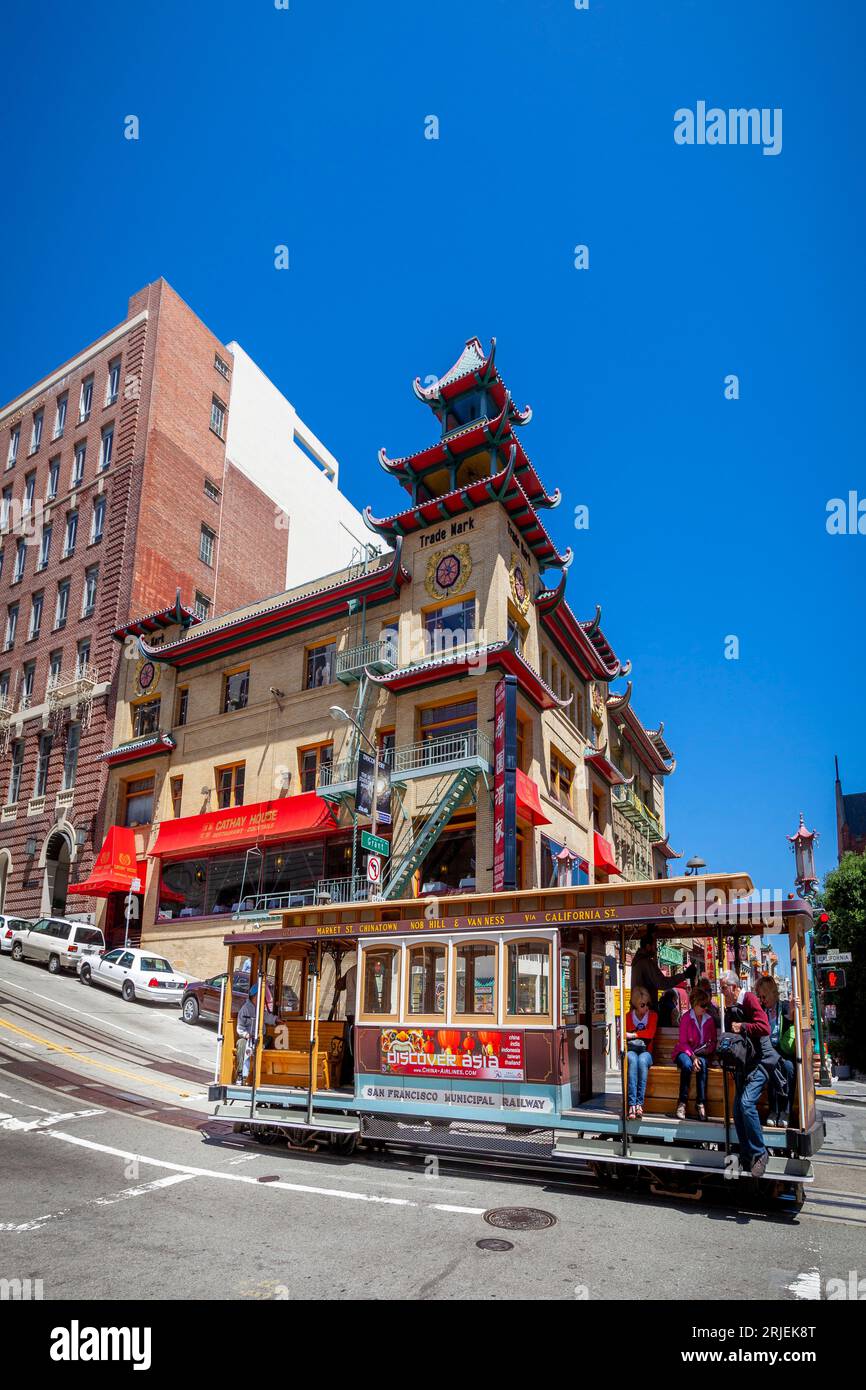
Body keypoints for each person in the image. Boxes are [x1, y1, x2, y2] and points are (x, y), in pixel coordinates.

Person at [719, 969, 774, 1178]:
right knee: (737, 1110)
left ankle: (760, 1153)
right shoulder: (731, 1005)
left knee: (746, 1104)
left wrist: (742, 1026)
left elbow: (764, 1027)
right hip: (745, 1064)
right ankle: (745, 1153)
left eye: (724, 988)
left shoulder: (749, 999)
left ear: (733, 987)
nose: (722, 992)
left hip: (761, 1062)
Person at [673, 986, 718, 1120]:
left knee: (703, 1065)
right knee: (686, 1065)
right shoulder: (686, 1018)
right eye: (703, 1005)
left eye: (707, 1005)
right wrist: (693, 1057)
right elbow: (682, 1042)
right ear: (695, 1004)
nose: (705, 1008)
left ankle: (701, 1103)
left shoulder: (709, 1020)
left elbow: (713, 1041)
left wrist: (708, 1049)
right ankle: (682, 1102)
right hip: (684, 1052)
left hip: (700, 1053)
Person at [756, 975, 794, 1128]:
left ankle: (786, 1109)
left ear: (772, 992)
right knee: (770, 1067)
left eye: (763, 996)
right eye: (760, 996)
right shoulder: (762, 1010)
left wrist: (793, 1010)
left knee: (789, 1068)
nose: (762, 999)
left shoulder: (783, 1006)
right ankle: (774, 1110)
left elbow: (792, 1019)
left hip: (783, 1050)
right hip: (768, 1050)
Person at [630, 930, 696, 1008]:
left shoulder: (637, 961)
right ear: (648, 947)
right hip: (645, 1011)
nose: (656, 949)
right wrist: (684, 975)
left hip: (638, 1009)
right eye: (655, 947)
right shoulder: (646, 962)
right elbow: (662, 983)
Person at [625, 986, 657, 1119]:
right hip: (632, 1050)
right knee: (632, 1061)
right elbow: (622, 1036)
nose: (646, 1008)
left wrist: (633, 1035)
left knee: (642, 1061)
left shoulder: (653, 1016)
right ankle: (632, 1105)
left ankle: (639, 1103)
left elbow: (650, 1033)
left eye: (648, 1004)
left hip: (646, 1052)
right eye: (643, 1005)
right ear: (636, 1004)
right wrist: (637, 1035)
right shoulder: (627, 1016)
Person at [235, 982, 276, 1083]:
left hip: (260, 1037)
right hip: (248, 1038)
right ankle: (240, 1074)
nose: (262, 997)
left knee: (269, 1039)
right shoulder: (244, 1009)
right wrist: (246, 1035)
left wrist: (276, 1020)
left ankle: (263, 1073)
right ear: (255, 996)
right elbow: (240, 1027)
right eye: (260, 995)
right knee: (241, 1044)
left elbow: (267, 1017)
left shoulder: (260, 1008)